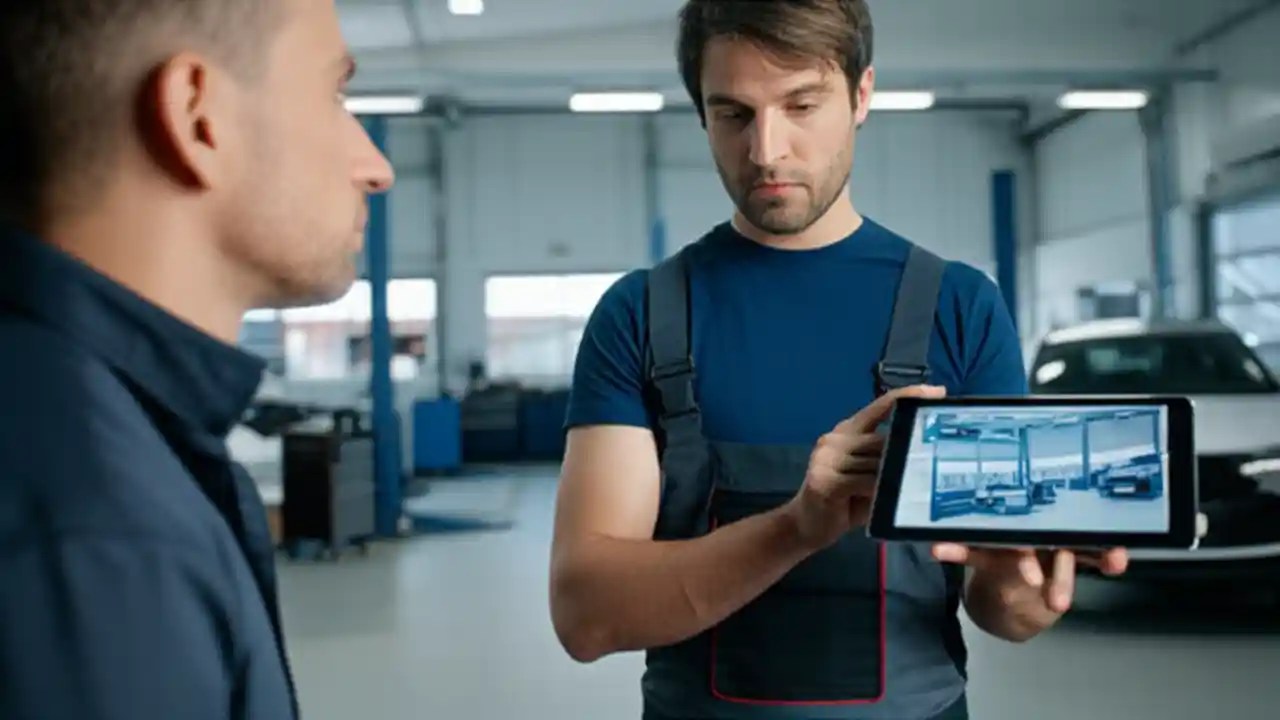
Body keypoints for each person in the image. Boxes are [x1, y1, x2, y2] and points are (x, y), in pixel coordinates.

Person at [548, 1, 1128, 719]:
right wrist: (798, 525)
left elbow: (999, 611)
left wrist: (1022, 590)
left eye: (800, 105)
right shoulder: (639, 315)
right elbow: (585, 613)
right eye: (733, 113)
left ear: (860, 96)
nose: (766, 150)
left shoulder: (960, 307)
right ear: (701, 113)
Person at [0, 0, 393, 717]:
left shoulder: (97, 431)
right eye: (335, 94)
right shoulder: (102, 540)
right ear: (197, 116)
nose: (376, 167)